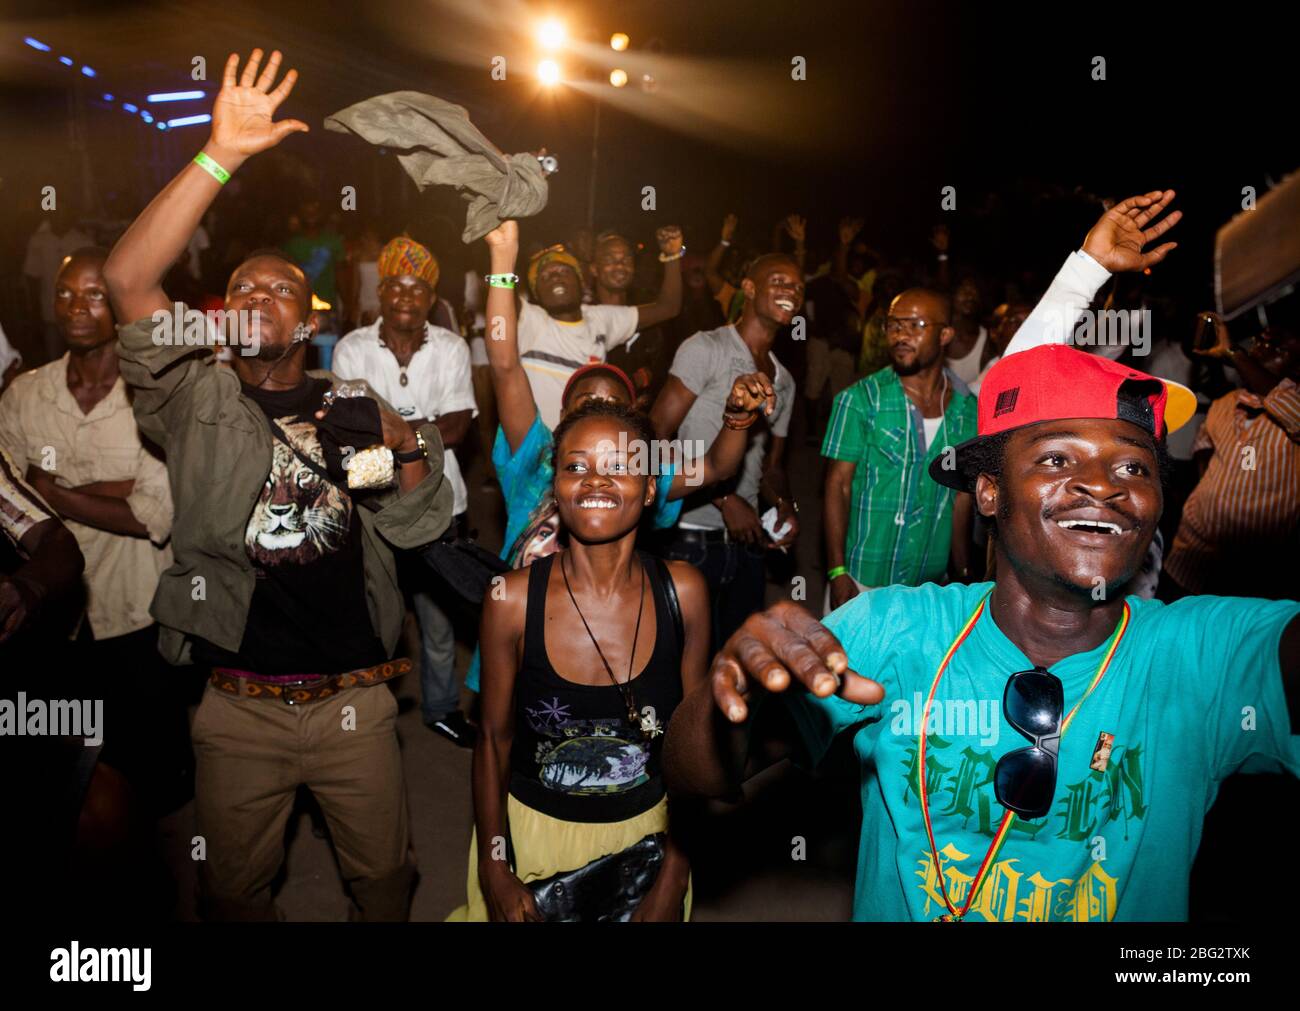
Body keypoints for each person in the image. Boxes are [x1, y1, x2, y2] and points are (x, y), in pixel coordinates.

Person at [659, 193, 1297, 927]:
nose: (1103, 484)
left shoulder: (1202, 655)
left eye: (1135, 468)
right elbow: (697, 772)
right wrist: (727, 687)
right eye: (1060, 458)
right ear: (987, 491)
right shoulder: (895, 632)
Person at [103, 48, 453, 921]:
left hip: (356, 704)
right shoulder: (190, 396)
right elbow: (125, 280)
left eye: (281, 287)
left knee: (384, 882)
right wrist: (220, 153)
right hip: (237, 711)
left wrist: (404, 442)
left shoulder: (352, 403)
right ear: (218, 314)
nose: (260, 293)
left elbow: (405, 524)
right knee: (231, 894)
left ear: (312, 316)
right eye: (241, 286)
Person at [463, 221, 776, 693]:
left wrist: (734, 418)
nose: (597, 412)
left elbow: (716, 468)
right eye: (585, 403)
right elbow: (505, 364)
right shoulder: (535, 457)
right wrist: (504, 260)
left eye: (611, 405)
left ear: (630, 417)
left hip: (609, 639)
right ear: (564, 413)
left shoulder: (639, 472)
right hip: (522, 636)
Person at [455, 397, 711, 921]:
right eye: (576, 466)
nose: (595, 481)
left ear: (649, 489)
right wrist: (496, 868)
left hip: (647, 839)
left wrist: (673, 878)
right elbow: (492, 740)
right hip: (532, 837)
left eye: (619, 466)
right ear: (556, 488)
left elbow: (696, 751)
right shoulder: (511, 599)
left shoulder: (683, 592)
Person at [0, 247, 186, 838]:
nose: (76, 307)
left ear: (120, 303)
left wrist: (44, 487)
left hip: (137, 613)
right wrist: (109, 491)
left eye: (94, 294)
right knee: (72, 778)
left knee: (155, 778)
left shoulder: (152, 397)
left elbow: (154, 515)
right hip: (56, 624)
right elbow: (4, 505)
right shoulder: (24, 395)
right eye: (64, 293)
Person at [333, 235, 479, 744]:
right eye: (395, 285)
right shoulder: (352, 348)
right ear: (381, 289)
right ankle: (368, 718)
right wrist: (421, 434)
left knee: (439, 622)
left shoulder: (453, 347)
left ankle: (439, 707)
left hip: (443, 504)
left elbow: (460, 425)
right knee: (374, 619)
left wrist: (393, 433)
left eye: (417, 288)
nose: (404, 296)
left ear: (431, 297)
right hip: (373, 507)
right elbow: (349, 433)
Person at [651, 252, 802, 652]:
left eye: (798, 286)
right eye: (779, 281)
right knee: (681, 661)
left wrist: (785, 505)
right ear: (749, 289)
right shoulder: (706, 348)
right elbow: (653, 436)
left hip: (748, 543)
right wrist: (723, 498)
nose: (792, 291)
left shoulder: (782, 379)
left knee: (738, 663)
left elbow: (771, 467)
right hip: (688, 534)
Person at [821, 287, 978, 613]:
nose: (900, 334)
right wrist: (837, 572)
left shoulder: (967, 411)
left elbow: (961, 497)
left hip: (928, 584)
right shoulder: (860, 400)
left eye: (915, 325)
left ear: (945, 334)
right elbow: (837, 486)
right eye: (893, 325)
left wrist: (963, 573)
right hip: (863, 576)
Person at [1162, 316, 1299, 600]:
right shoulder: (1224, 403)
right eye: (1261, 342)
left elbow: (1288, 402)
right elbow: (1204, 458)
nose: (1263, 349)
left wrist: (1234, 353)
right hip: (1190, 558)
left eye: (1279, 347)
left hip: (1254, 571)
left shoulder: (1294, 411)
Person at [519, 226, 683, 429]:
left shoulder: (600, 318)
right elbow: (504, 296)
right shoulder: (530, 321)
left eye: (563, 271)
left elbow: (668, 307)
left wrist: (673, 255)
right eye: (544, 277)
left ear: (579, 281)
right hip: (540, 448)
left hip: (599, 442)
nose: (554, 277)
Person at [23, 209, 92, 363]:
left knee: (80, 358)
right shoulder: (39, 241)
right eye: (57, 212)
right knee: (52, 358)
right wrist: (34, 313)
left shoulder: (83, 242)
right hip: (49, 313)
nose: (60, 216)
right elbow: (32, 277)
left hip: (78, 315)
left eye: (64, 211)